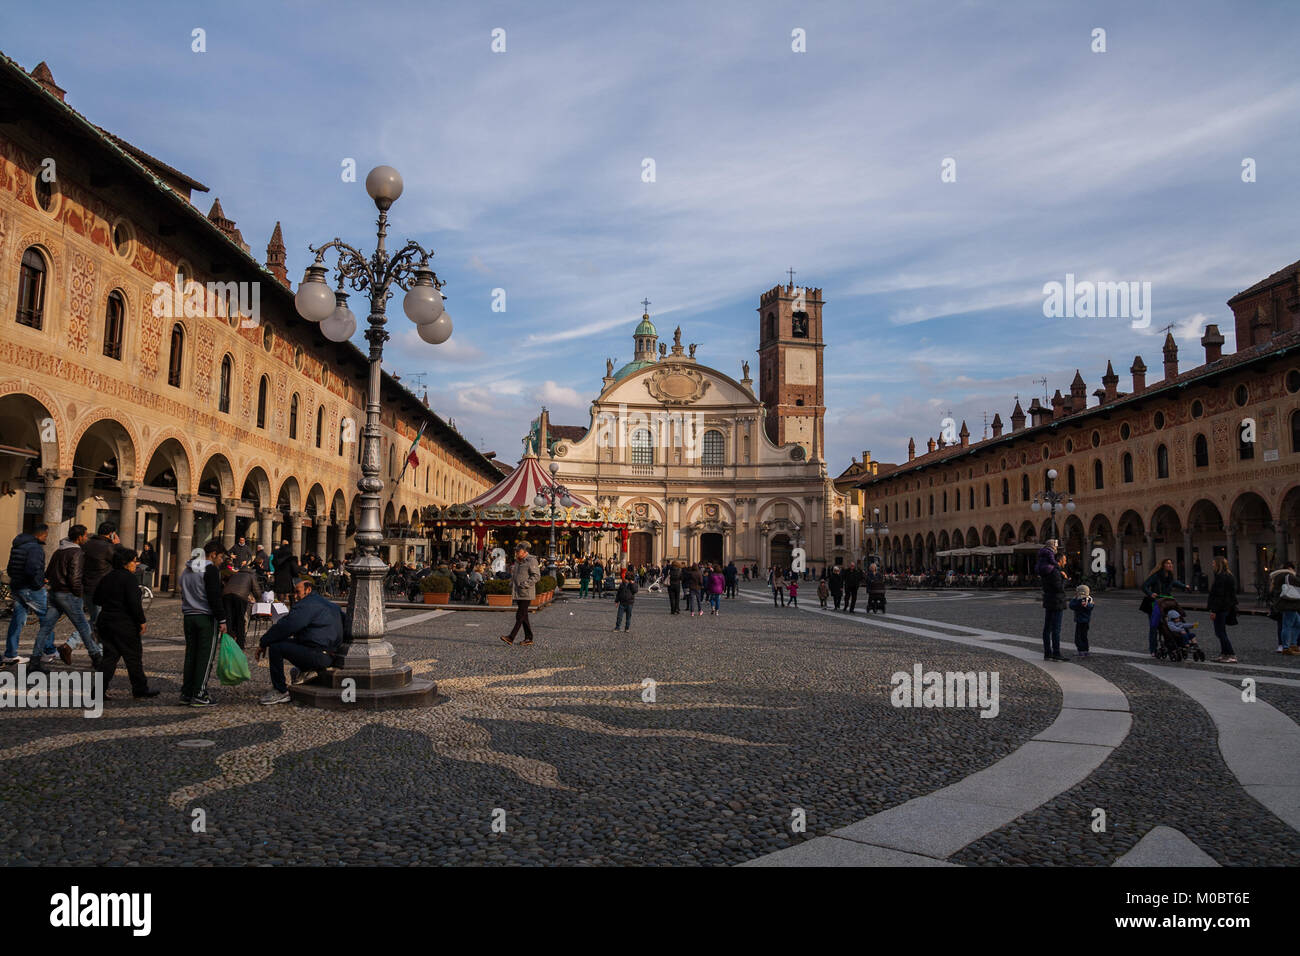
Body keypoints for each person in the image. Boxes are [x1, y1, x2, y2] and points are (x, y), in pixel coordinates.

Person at [255, 576, 343, 704]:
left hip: (318, 655)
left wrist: (264, 642)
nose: (295, 596)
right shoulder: (329, 604)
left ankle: (281, 691)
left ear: (308, 590)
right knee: (293, 643)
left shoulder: (307, 605)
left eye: (298, 592)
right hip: (329, 653)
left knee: (276, 647)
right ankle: (305, 669)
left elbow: (286, 626)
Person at [94, 547, 158, 699]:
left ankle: (97, 691)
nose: (136, 564)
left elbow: (96, 599)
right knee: (133, 657)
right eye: (134, 561)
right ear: (125, 563)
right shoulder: (129, 579)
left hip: (106, 621)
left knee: (109, 658)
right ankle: (140, 688)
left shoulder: (107, 577)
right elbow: (134, 604)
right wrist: (141, 621)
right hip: (124, 623)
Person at [37, 523, 102, 669]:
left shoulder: (58, 551)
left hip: (54, 593)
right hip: (68, 594)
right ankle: (96, 657)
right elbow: (75, 578)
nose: (86, 538)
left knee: (45, 628)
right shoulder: (76, 552)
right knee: (84, 626)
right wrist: (78, 595)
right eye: (85, 535)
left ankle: (35, 659)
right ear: (79, 537)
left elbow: (47, 573)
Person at [179, 539, 227, 707]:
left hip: (189, 616)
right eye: (220, 557)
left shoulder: (186, 570)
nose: (221, 561)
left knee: (191, 654)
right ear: (213, 555)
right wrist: (222, 619)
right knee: (205, 657)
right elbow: (214, 596)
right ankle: (199, 693)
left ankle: (186, 691)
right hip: (205, 617)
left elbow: (182, 592)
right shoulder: (210, 570)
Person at [4, 523, 49, 665]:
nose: (46, 538)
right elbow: (32, 569)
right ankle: (49, 651)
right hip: (30, 588)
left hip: (17, 585)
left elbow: (10, 568)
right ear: (41, 534)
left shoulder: (18, 545)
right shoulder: (35, 548)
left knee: (17, 620)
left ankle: (10, 654)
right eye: (46, 535)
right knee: (46, 619)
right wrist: (39, 583)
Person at [1141, 558, 1187, 656]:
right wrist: (1150, 593)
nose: (1170, 565)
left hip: (1166, 603)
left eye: (1171, 563)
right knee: (1154, 627)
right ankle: (1153, 649)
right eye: (1168, 563)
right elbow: (1144, 586)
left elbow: (1175, 583)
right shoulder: (1156, 576)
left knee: (1168, 625)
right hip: (1155, 604)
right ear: (1163, 565)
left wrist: (1185, 586)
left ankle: (1171, 645)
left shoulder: (1170, 576)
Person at [500, 545, 540, 645]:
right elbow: (516, 575)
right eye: (516, 551)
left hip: (526, 592)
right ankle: (529, 638)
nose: (516, 553)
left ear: (524, 551)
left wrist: (525, 584)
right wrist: (511, 583)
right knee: (524, 616)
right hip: (518, 591)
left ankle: (511, 637)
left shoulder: (531, 560)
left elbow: (536, 576)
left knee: (520, 615)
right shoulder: (518, 561)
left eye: (518, 551)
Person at [1205, 556, 1239, 663]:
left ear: (1218, 564)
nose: (1212, 565)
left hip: (1220, 608)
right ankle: (1224, 654)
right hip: (1226, 607)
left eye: (1214, 563)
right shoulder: (1229, 576)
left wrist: (1214, 610)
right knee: (1221, 631)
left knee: (1220, 632)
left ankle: (1230, 654)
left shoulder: (1221, 577)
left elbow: (1219, 595)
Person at [1040, 550, 1070, 661]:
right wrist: (1065, 579)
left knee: (1047, 628)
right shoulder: (1055, 572)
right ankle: (1056, 653)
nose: (1065, 562)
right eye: (1065, 560)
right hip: (1057, 602)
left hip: (1049, 601)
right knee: (1056, 629)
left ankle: (1047, 652)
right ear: (1060, 560)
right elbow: (1059, 588)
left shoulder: (1047, 570)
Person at [222, 560, 258, 649]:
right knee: (240, 619)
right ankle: (240, 643)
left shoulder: (236, 574)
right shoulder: (251, 575)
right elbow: (256, 590)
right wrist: (260, 600)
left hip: (226, 595)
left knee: (229, 618)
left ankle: (228, 641)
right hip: (240, 596)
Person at [1268, 561, 1300, 656]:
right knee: (1287, 625)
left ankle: (1291, 645)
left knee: (1296, 624)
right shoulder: (1288, 576)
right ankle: (1286, 647)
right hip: (1289, 603)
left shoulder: (1278, 576)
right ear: (1290, 568)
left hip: (1285, 603)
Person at [1068, 585, 1094, 659]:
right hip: (1085, 621)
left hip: (1081, 621)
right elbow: (1091, 606)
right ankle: (1085, 650)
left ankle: (1081, 650)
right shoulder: (1089, 599)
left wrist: (1074, 599)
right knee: (1084, 636)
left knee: (1079, 637)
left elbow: (1072, 606)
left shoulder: (1081, 600)